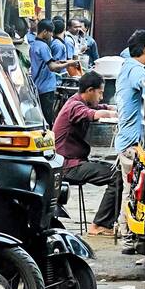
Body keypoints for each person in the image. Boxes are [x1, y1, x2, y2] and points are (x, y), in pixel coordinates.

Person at [50, 72, 120, 236]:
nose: (102, 97)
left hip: (74, 161)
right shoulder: (74, 106)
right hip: (68, 165)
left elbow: (99, 108)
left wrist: (110, 108)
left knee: (117, 171)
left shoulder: (79, 101)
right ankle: (100, 224)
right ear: (90, 90)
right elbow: (95, 114)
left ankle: (104, 223)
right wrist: (113, 113)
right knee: (117, 176)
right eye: (100, 92)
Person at [109, 29, 145, 252]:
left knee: (130, 189)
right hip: (131, 143)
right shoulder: (137, 70)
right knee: (131, 191)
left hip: (127, 139)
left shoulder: (127, 65)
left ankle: (129, 235)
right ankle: (128, 237)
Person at [28, 19, 59, 125]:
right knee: (47, 118)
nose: (51, 35)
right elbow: (52, 67)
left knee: (41, 118)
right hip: (46, 87)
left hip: (38, 85)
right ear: (45, 32)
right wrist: (69, 64)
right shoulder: (43, 46)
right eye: (50, 32)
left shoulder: (34, 44)